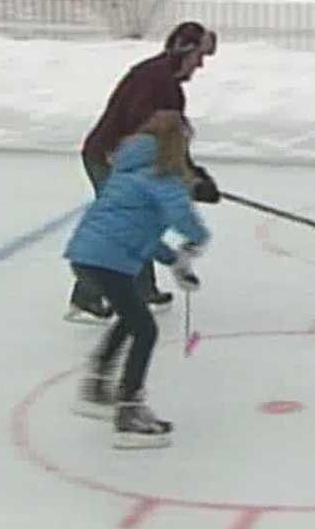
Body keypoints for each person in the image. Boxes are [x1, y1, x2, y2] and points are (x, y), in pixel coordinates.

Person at [63, 110, 211, 449]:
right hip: (107, 261)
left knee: (132, 318)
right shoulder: (160, 179)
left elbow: (139, 233)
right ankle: (129, 411)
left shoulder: (127, 172)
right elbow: (182, 217)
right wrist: (198, 239)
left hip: (87, 256)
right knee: (144, 328)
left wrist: (175, 261)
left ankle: (98, 382)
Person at [66, 21, 221, 323]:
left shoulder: (167, 85)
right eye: (198, 56)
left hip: (124, 159)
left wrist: (196, 176)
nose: (200, 64)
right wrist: (188, 181)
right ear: (183, 53)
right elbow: (147, 142)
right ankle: (86, 298)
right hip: (108, 158)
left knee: (143, 217)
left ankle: (142, 289)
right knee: (126, 222)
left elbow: (171, 142)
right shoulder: (154, 83)